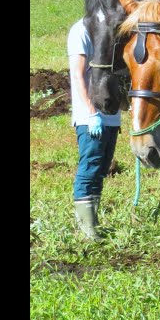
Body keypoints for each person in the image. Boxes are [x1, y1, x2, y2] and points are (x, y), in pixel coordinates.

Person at [68, 18, 121, 240]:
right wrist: (91, 112)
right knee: (89, 167)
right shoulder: (81, 31)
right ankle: (85, 229)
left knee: (101, 168)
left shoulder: (112, 30)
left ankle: (93, 223)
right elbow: (78, 74)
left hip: (110, 116)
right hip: (91, 117)